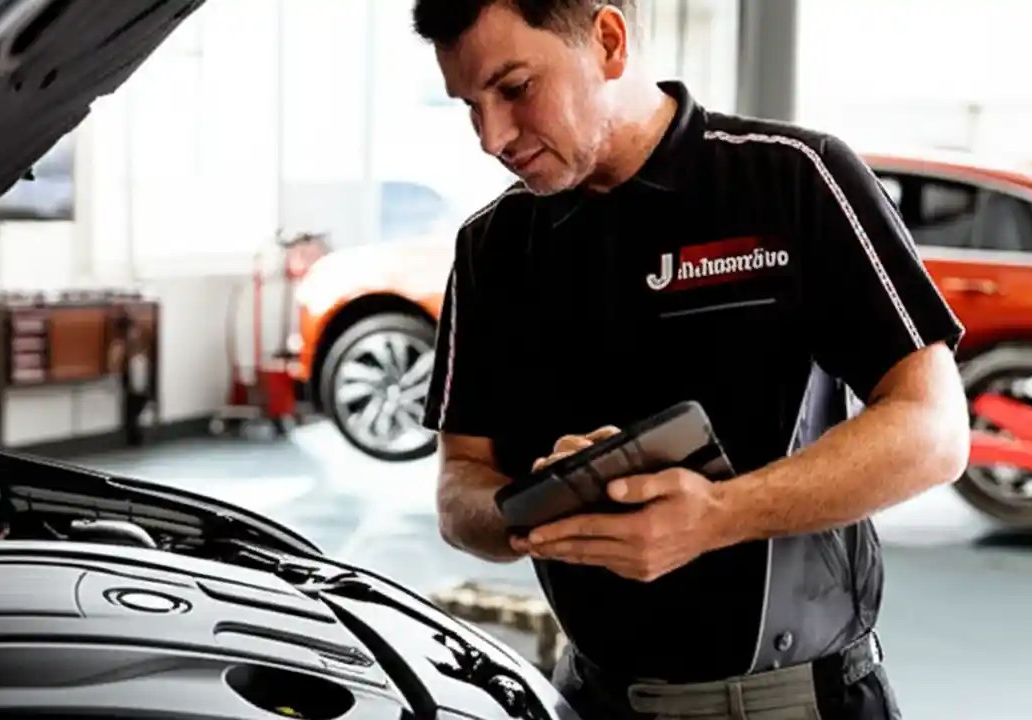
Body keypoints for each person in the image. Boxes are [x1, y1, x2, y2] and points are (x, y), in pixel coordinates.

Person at [410, 1, 971, 718]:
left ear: (608, 42)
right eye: (470, 105)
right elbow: (460, 489)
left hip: (794, 702)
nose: (492, 137)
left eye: (515, 88)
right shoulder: (493, 248)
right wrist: (535, 505)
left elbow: (934, 430)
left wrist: (717, 516)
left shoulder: (794, 178)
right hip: (590, 698)